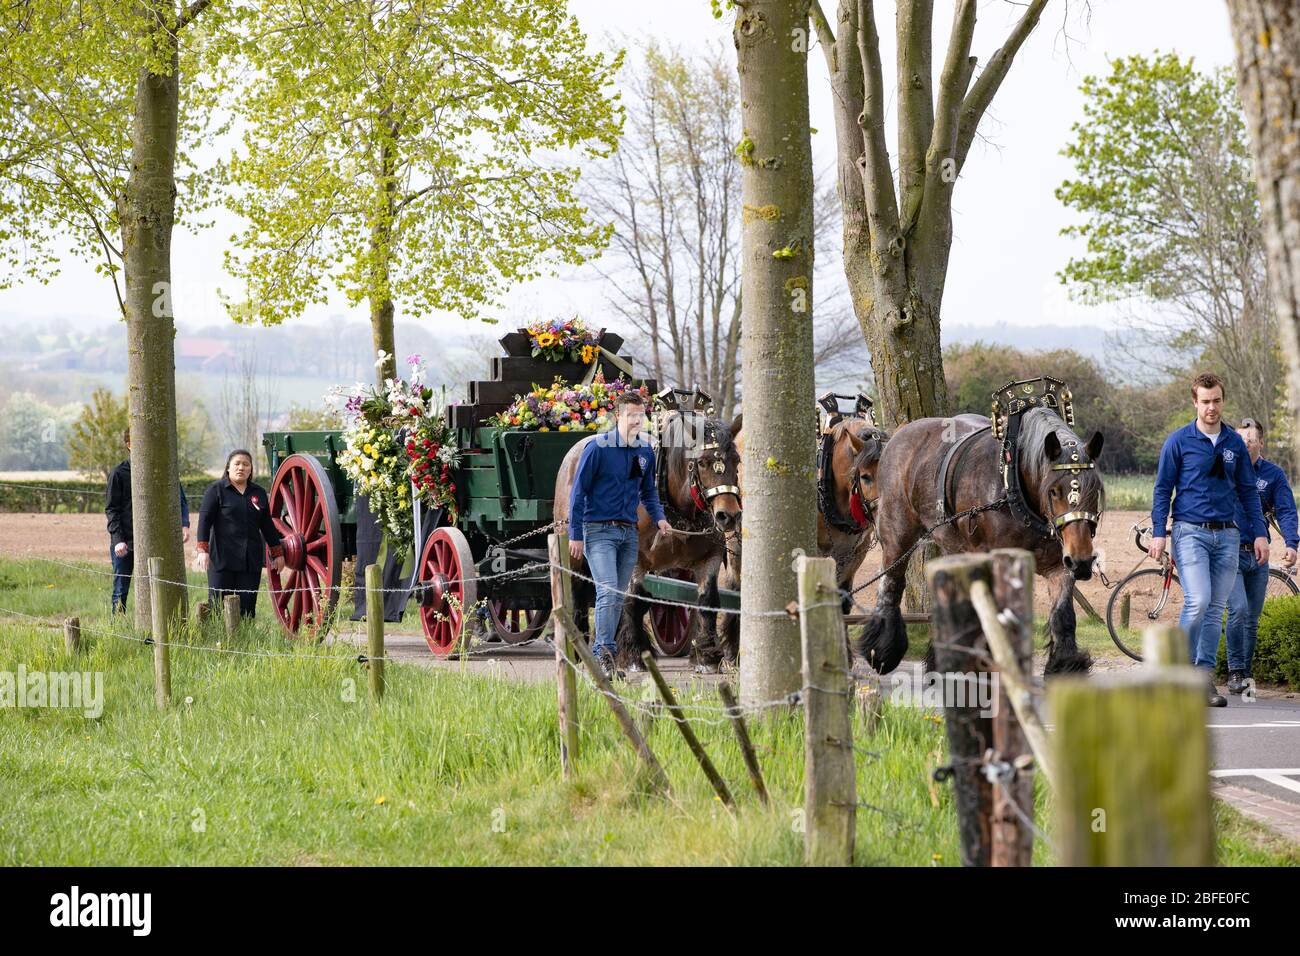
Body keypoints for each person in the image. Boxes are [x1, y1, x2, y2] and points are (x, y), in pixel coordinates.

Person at [1150, 373, 1267, 707]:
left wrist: (1260, 533)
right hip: (1190, 532)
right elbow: (1162, 489)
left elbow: (1247, 491)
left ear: (1222, 401)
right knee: (1198, 600)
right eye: (1205, 401)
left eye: (1216, 401)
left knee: (1216, 610)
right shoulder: (1178, 441)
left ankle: (1203, 681)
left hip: (1228, 534)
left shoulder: (1234, 443)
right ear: (1194, 403)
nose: (1211, 407)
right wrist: (1159, 531)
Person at [568, 392, 673, 676]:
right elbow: (578, 493)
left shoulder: (645, 452)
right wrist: (575, 534)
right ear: (619, 417)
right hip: (598, 531)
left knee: (618, 595)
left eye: (641, 416)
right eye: (631, 416)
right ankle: (604, 655)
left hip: (629, 535)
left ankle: (602, 653)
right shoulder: (597, 449)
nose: (637, 421)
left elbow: (648, 493)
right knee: (608, 590)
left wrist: (660, 519)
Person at [1225, 418, 1299, 695]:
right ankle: (1234, 671)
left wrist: (1292, 543)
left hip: (1259, 556)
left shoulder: (1273, 475)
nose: (1245, 445)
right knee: (1238, 610)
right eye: (1241, 441)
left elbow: (1287, 510)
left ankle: (1245, 673)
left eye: (1251, 440)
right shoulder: (1225, 470)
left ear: (1261, 444)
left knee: (1252, 619)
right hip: (1229, 552)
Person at [105, 427, 192, 614]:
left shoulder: (162, 470)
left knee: (157, 586)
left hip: (156, 541)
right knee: (121, 589)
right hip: (125, 542)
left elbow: (180, 498)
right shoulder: (118, 474)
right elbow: (112, 510)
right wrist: (118, 539)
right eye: (139, 441)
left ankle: (159, 624)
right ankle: (118, 628)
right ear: (129, 445)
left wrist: (184, 524)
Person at [195, 449, 285, 618]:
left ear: (251, 469)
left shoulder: (258, 493)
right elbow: (204, 521)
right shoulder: (215, 490)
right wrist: (202, 550)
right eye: (237, 464)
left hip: (250, 561)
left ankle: (244, 641)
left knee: (247, 608)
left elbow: (267, 524)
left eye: (246, 464)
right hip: (221, 559)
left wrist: (277, 552)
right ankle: (217, 641)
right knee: (217, 607)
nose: (241, 468)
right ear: (228, 467)